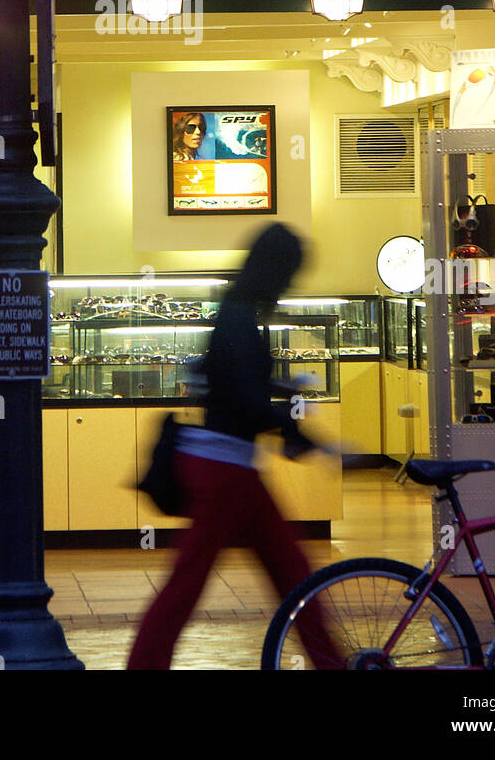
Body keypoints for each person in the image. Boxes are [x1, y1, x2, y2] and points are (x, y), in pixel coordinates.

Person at [127, 222, 341, 670]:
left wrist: (279, 387)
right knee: (281, 574)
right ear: (274, 269)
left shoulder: (236, 309)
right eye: (288, 272)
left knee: (281, 573)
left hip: (223, 466)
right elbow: (242, 395)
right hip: (226, 472)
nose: (289, 283)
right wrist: (296, 427)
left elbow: (224, 378)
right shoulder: (244, 315)